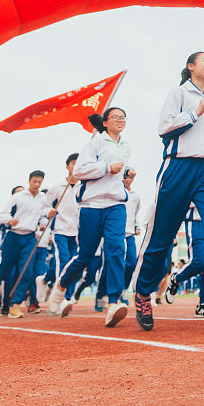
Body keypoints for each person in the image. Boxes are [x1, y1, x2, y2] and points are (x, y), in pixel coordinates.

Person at [130, 52, 204, 330]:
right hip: (178, 168)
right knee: (162, 236)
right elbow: (165, 129)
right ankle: (143, 292)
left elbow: (202, 138)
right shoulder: (178, 93)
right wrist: (195, 113)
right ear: (190, 67)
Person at [48, 108, 135, 327]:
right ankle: (62, 284)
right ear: (105, 123)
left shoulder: (125, 146)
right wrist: (107, 167)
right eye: (115, 117)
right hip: (91, 205)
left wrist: (127, 173)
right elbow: (79, 172)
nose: (120, 121)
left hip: (116, 204)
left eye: (123, 117)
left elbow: (117, 172)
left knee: (116, 248)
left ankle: (113, 302)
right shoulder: (95, 143)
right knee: (85, 255)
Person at [0, 172, 50, 318]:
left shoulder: (42, 199)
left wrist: (48, 216)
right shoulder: (18, 197)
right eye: (34, 181)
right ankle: (5, 303)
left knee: (26, 272)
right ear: (29, 181)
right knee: (7, 273)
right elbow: (2, 215)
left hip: (30, 238)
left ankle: (15, 304)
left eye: (40, 182)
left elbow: (43, 214)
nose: (37, 184)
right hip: (13, 237)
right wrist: (10, 220)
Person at [45, 153, 82, 312]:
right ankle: (59, 299)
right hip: (60, 230)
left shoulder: (85, 185)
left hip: (79, 232)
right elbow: (44, 205)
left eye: (78, 163)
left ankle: (68, 297)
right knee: (64, 260)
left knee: (75, 264)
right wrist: (49, 212)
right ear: (67, 166)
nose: (75, 166)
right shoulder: (57, 187)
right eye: (73, 163)